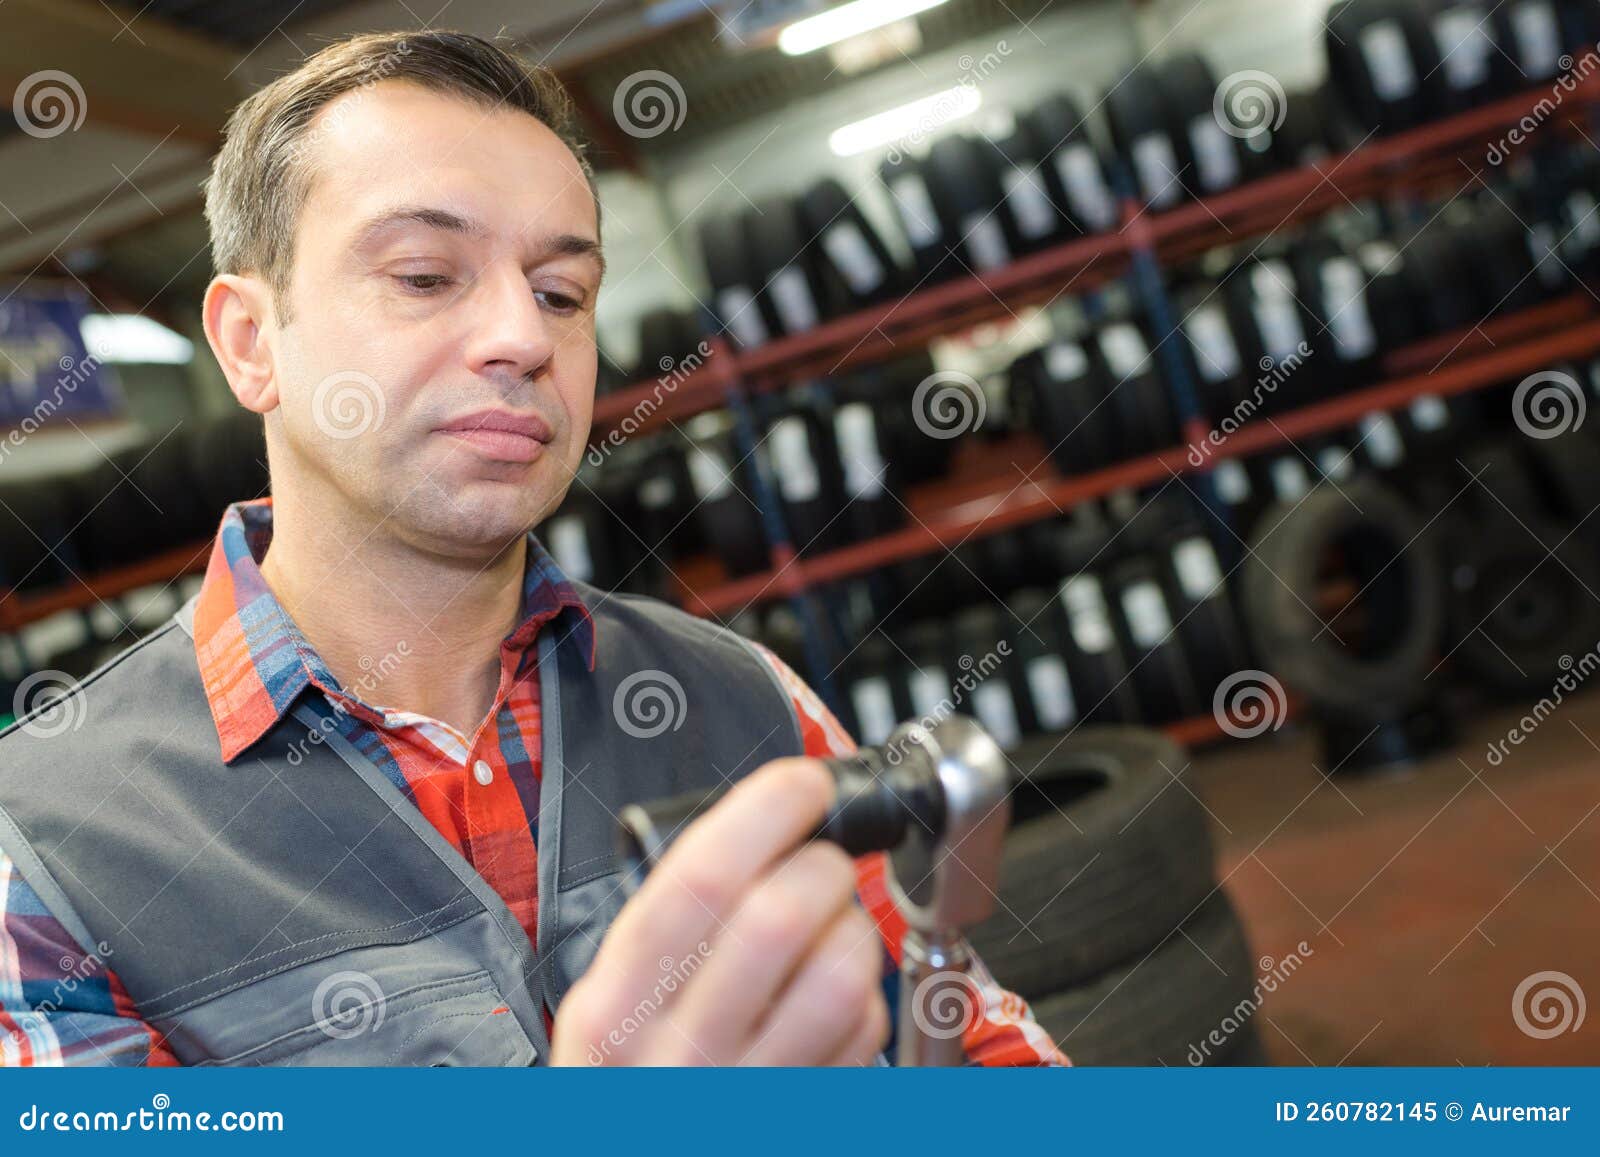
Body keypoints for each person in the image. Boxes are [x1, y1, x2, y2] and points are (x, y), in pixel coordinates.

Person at [0, 31, 1063, 1067]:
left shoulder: (742, 696)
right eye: (424, 275)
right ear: (249, 341)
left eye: (563, 293)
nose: (523, 335)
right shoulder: (45, 843)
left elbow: (969, 1043)